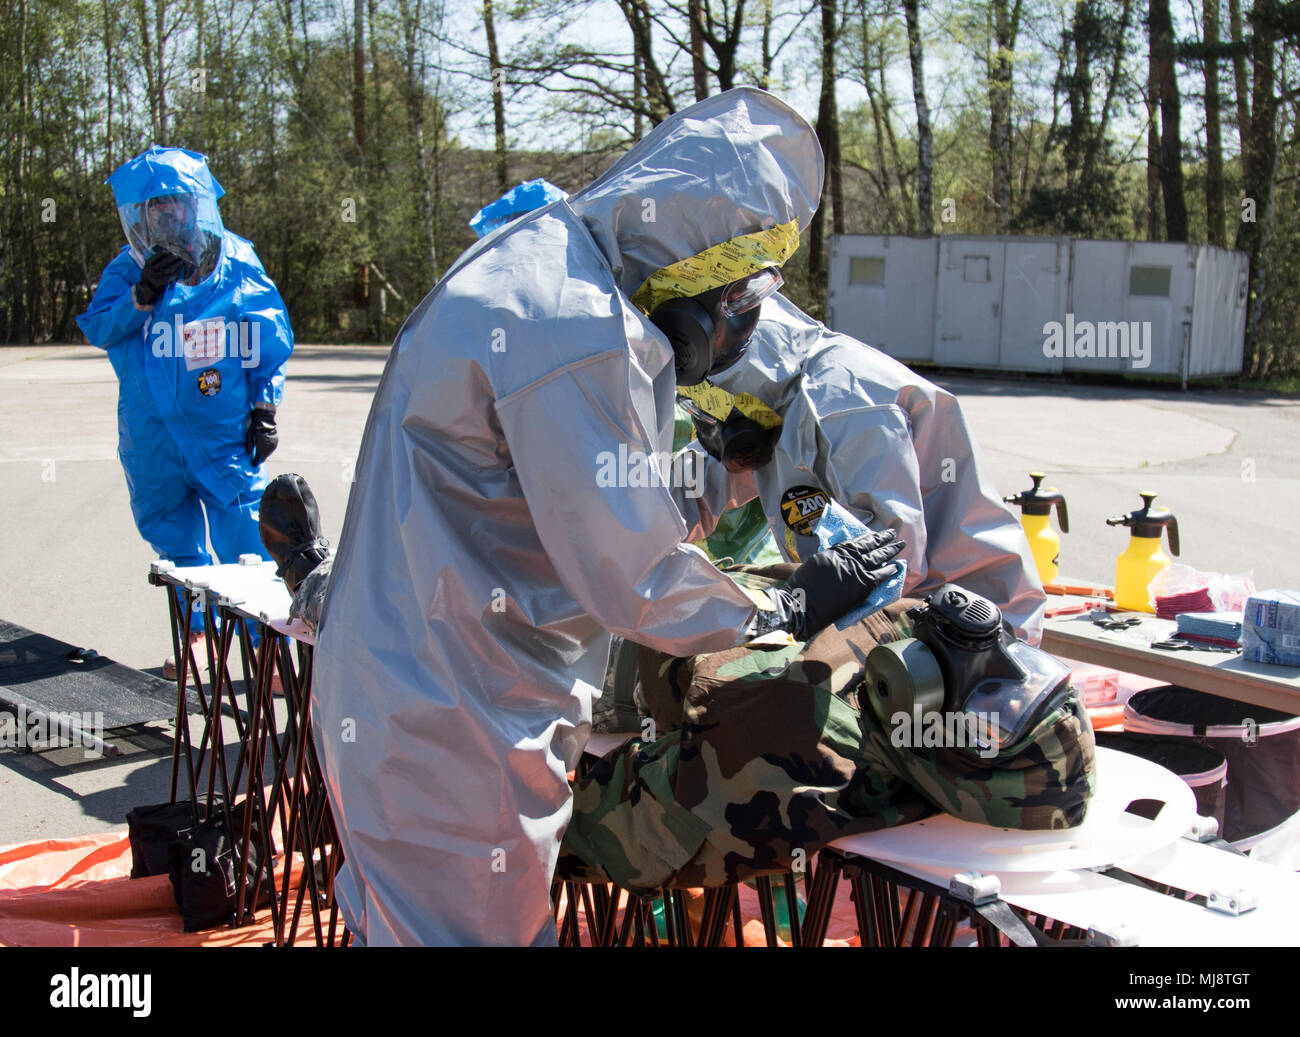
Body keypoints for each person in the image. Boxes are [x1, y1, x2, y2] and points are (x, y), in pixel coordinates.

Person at [311, 88, 905, 946]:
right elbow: (639, 580)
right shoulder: (577, 331)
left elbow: (582, 492)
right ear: (692, 271)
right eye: (736, 305)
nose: (739, 331)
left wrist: (723, 470)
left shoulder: (550, 271)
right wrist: (787, 604)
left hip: (407, 683)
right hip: (450, 716)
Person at [674, 292, 1046, 645]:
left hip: (968, 630)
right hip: (893, 621)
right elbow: (688, 489)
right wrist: (633, 538)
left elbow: (891, 571)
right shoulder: (760, 405)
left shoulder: (846, 407)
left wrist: (788, 609)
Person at [77, 146, 294, 674]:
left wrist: (265, 406)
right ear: (137, 216)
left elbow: (268, 336)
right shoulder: (127, 270)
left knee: (247, 538)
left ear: (197, 204)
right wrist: (140, 297)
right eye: (153, 206)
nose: (167, 214)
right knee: (174, 543)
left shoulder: (235, 260)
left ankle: (267, 643)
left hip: (221, 429)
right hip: (152, 435)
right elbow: (100, 329)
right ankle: (197, 636)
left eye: (175, 201)